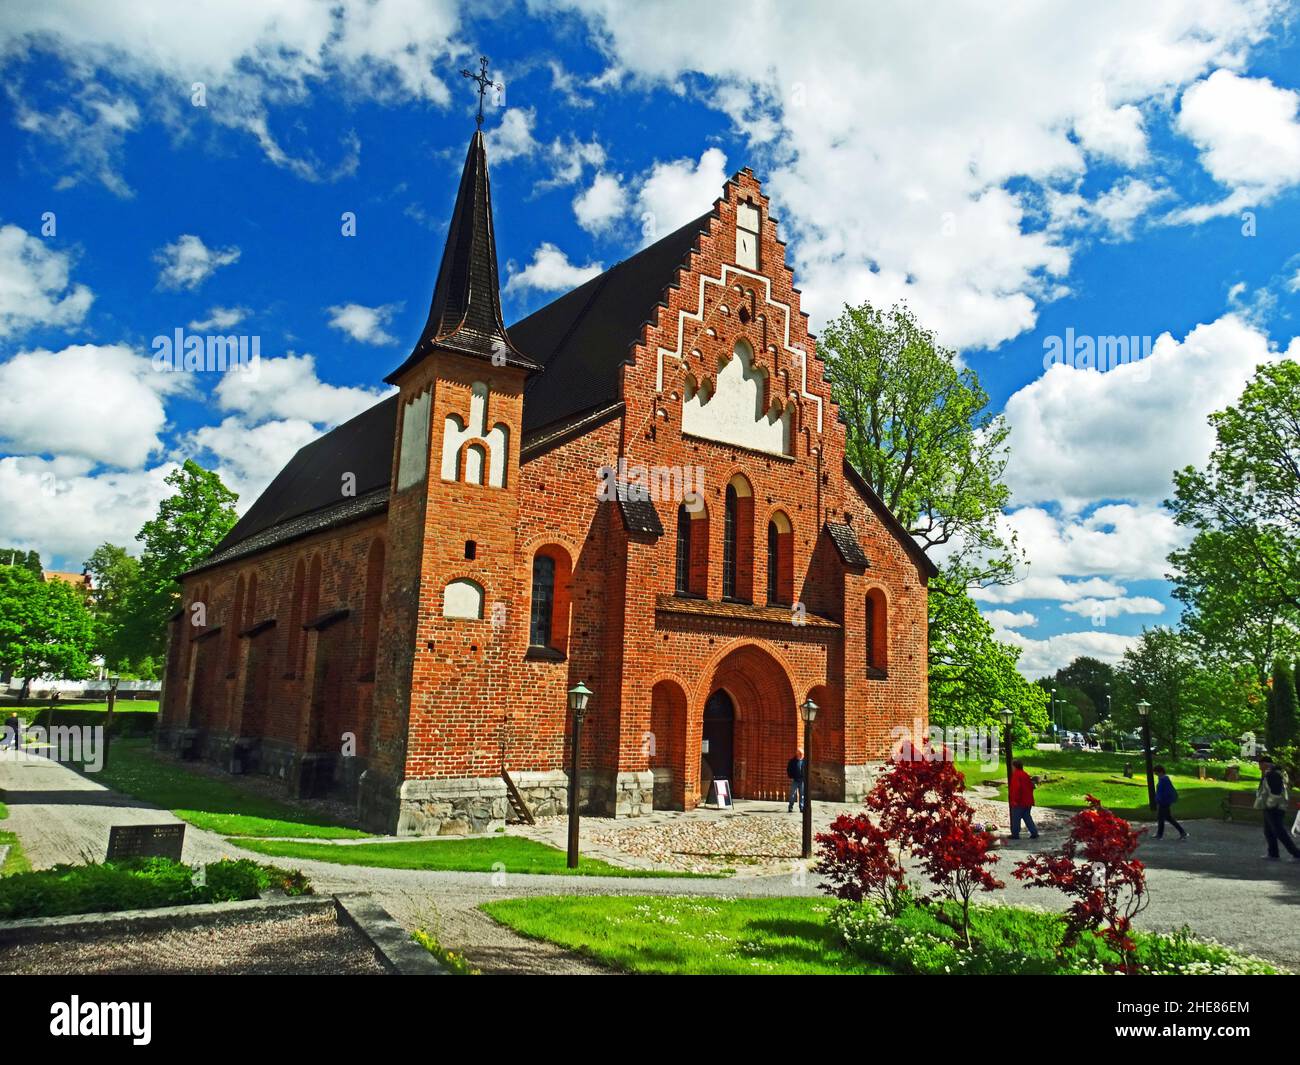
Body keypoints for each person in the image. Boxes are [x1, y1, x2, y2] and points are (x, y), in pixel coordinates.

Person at [1256, 756, 1300, 861]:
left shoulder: (1273, 775)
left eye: (1260, 765)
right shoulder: (1274, 773)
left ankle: (1296, 854)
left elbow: (1275, 792)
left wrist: (1270, 804)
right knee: (1269, 831)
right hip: (1272, 806)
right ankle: (1273, 853)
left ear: (1265, 764)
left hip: (1274, 807)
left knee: (1279, 831)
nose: (1259, 768)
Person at [1154, 765, 1187, 840]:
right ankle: (1182, 832)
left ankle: (1160, 834)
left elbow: (1163, 792)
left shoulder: (1164, 780)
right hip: (1164, 801)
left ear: (1161, 772)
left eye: (1157, 773)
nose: (1156, 775)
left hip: (1164, 802)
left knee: (1161, 818)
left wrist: (1159, 799)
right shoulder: (1162, 779)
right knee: (1167, 818)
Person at [1008, 759, 1038, 840]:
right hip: (1028, 800)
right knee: (1027, 817)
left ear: (1014, 766)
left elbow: (1016, 789)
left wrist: (1014, 800)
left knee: (1016, 818)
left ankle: (1015, 834)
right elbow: (1031, 786)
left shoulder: (1016, 775)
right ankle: (1034, 832)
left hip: (1020, 801)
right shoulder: (1025, 774)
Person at [786, 747, 806, 813]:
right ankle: (790, 807)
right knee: (792, 794)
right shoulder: (793, 761)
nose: (801, 755)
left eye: (802, 754)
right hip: (795, 780)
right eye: (799, 754)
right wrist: (791, 776)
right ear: (797, 754)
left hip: (802, 780)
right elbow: (789, 769)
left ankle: (801, 807)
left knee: (802, 795)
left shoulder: (805, 761)